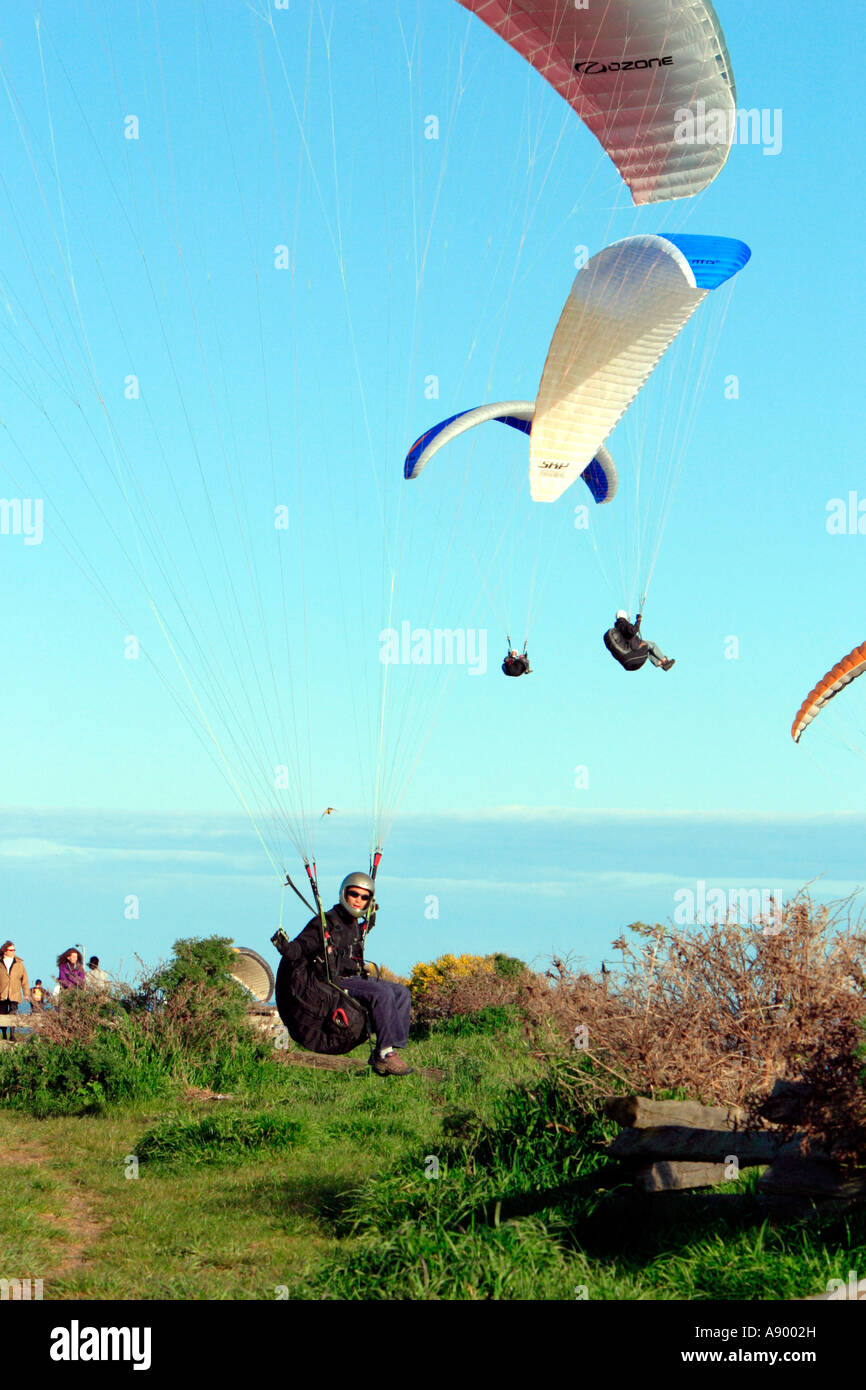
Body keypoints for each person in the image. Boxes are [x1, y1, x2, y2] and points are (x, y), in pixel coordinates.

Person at [275, 872, 413, 1076]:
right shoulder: (324, 923)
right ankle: (385, 1055)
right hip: (330, 982)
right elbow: (301, 946)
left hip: (352, 978)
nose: (358, 900)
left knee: (401, 992)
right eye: (354, 894)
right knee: (381, 994)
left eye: (364, 897)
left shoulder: (355, 925)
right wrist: (286, 948)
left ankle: (387, 1047)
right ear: (343, 893)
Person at [605, 610, 674, 672]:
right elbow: (633, 631)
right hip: (634, 649)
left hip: (630, 658)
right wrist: (638, 620)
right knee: (652, 645)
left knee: (647, 651)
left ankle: (659, 663)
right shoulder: (624, 625)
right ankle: (664, 661)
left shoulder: (618, 628)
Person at [0, 941, 30, 1040]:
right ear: (5, 951)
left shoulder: (19, 963)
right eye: (11, 950)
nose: (13, 952)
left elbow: (24, 979)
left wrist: (26, 993)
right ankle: (4, 1034)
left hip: (15, 993)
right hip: (2, 993)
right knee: (2, 1014)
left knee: (13, 1013)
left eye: (14, 950)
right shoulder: (0, 962)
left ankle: (12, 1035)